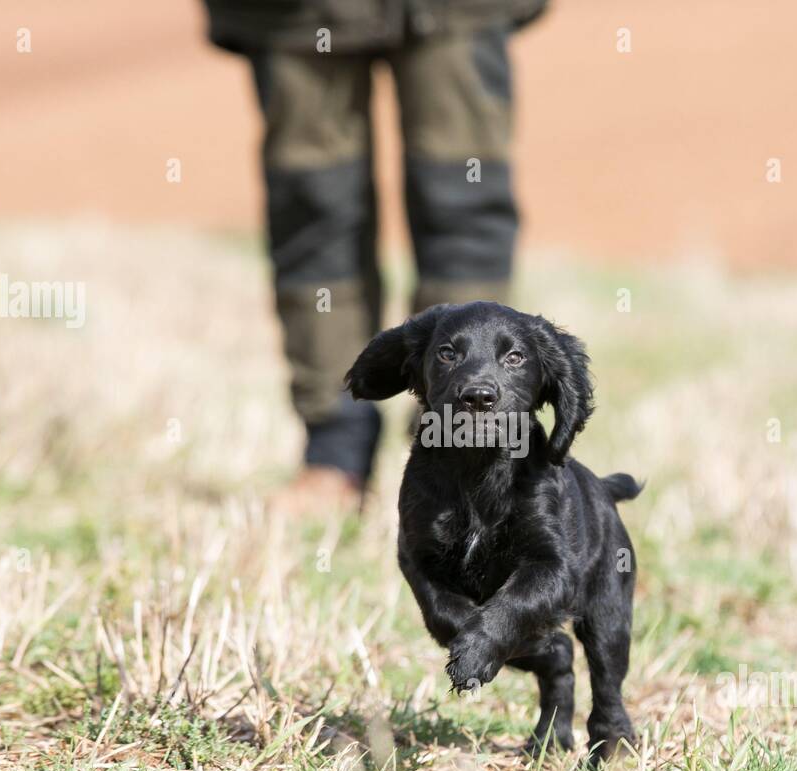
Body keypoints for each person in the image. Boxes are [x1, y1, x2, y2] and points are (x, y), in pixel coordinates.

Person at [202, 0, 548, 511]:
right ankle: (333, 455)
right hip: (298, 14)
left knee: (464, 199)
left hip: (459, 13)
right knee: (314, 204)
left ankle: (461, 453)